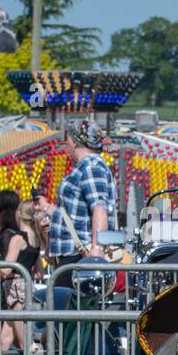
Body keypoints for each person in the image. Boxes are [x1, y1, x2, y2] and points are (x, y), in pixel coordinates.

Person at [49, 120, 114, 286]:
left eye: (68, 138)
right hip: (76, 256)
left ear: (76, 141)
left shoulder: (91, 166)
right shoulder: (87, 166)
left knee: (66, 307)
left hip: (81, 256)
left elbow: (99, 208)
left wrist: (96, 251)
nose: (67, 144)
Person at [0, 200, 43, 355]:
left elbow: (6, 269)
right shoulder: (36, 239)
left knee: (26, 341)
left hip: (15, 289)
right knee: (6, 338)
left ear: (18, 215)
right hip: (24, 287)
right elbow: (38, 272)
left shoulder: (17, 239)